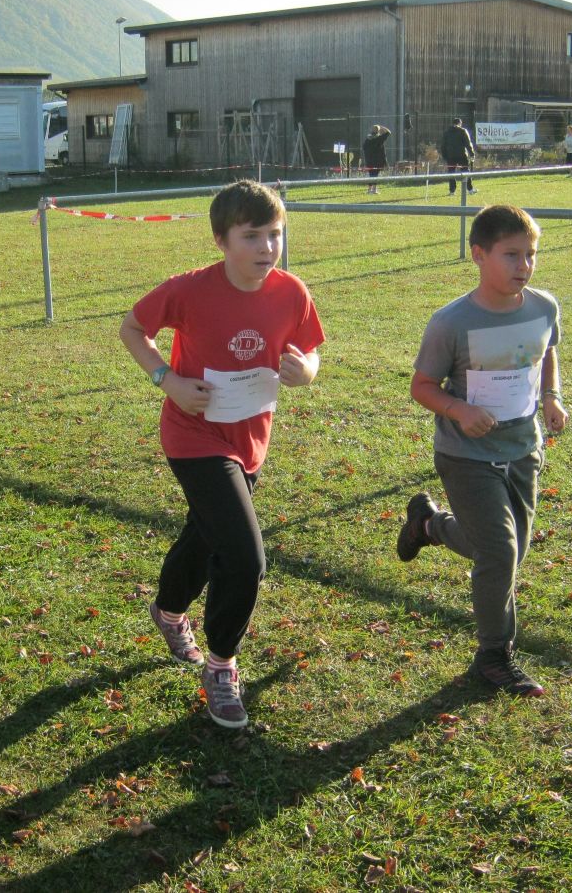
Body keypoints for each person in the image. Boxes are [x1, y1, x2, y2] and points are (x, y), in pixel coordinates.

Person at [119, 179, 326, 729]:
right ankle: (222, 666)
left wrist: (305, 370)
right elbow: (133, 327)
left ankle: (166, 611)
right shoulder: (189, 290)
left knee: (206, 533)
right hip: (193, 435)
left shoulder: (291, 292)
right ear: (221, 240)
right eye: (252, 236)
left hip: (250, 440)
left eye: (275, 235)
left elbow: (309, 353)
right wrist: (167, 379)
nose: (266, 248)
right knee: (245, 557)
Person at [396, 204, 568, 697]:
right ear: (478, 254)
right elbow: (422, 385)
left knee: (504, 555)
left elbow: (547, 353)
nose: (524, 265)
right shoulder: (451, 321)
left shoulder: (543, 307)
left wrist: (552, 398)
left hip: (523, 450)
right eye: (511, 254)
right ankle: (494, 656)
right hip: (465, 456)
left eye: (531, 254)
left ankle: (427, 525)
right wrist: (459, 411)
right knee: (498, 551)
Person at [441, 118, 477, 195]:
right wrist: (472, 154)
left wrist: (444, 156)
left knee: (451, 173)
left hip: (450, 156)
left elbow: (443, 145)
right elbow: (468, 143)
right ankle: (470, 189)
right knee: (465, 171)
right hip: (462, 155)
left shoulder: (447, 132)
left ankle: (452, 191)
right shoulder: (463, 131)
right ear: (460, 123)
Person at [361, 124, 392, 194]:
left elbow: (364, 148)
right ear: (378, 131)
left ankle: (369, 190)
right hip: (377, 160)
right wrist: (381, 127)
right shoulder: (379, 139)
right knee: (375, 175)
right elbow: (389, 132)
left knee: (371, 175)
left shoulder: (368, 139)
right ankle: (374, 190)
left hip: (369, 161)